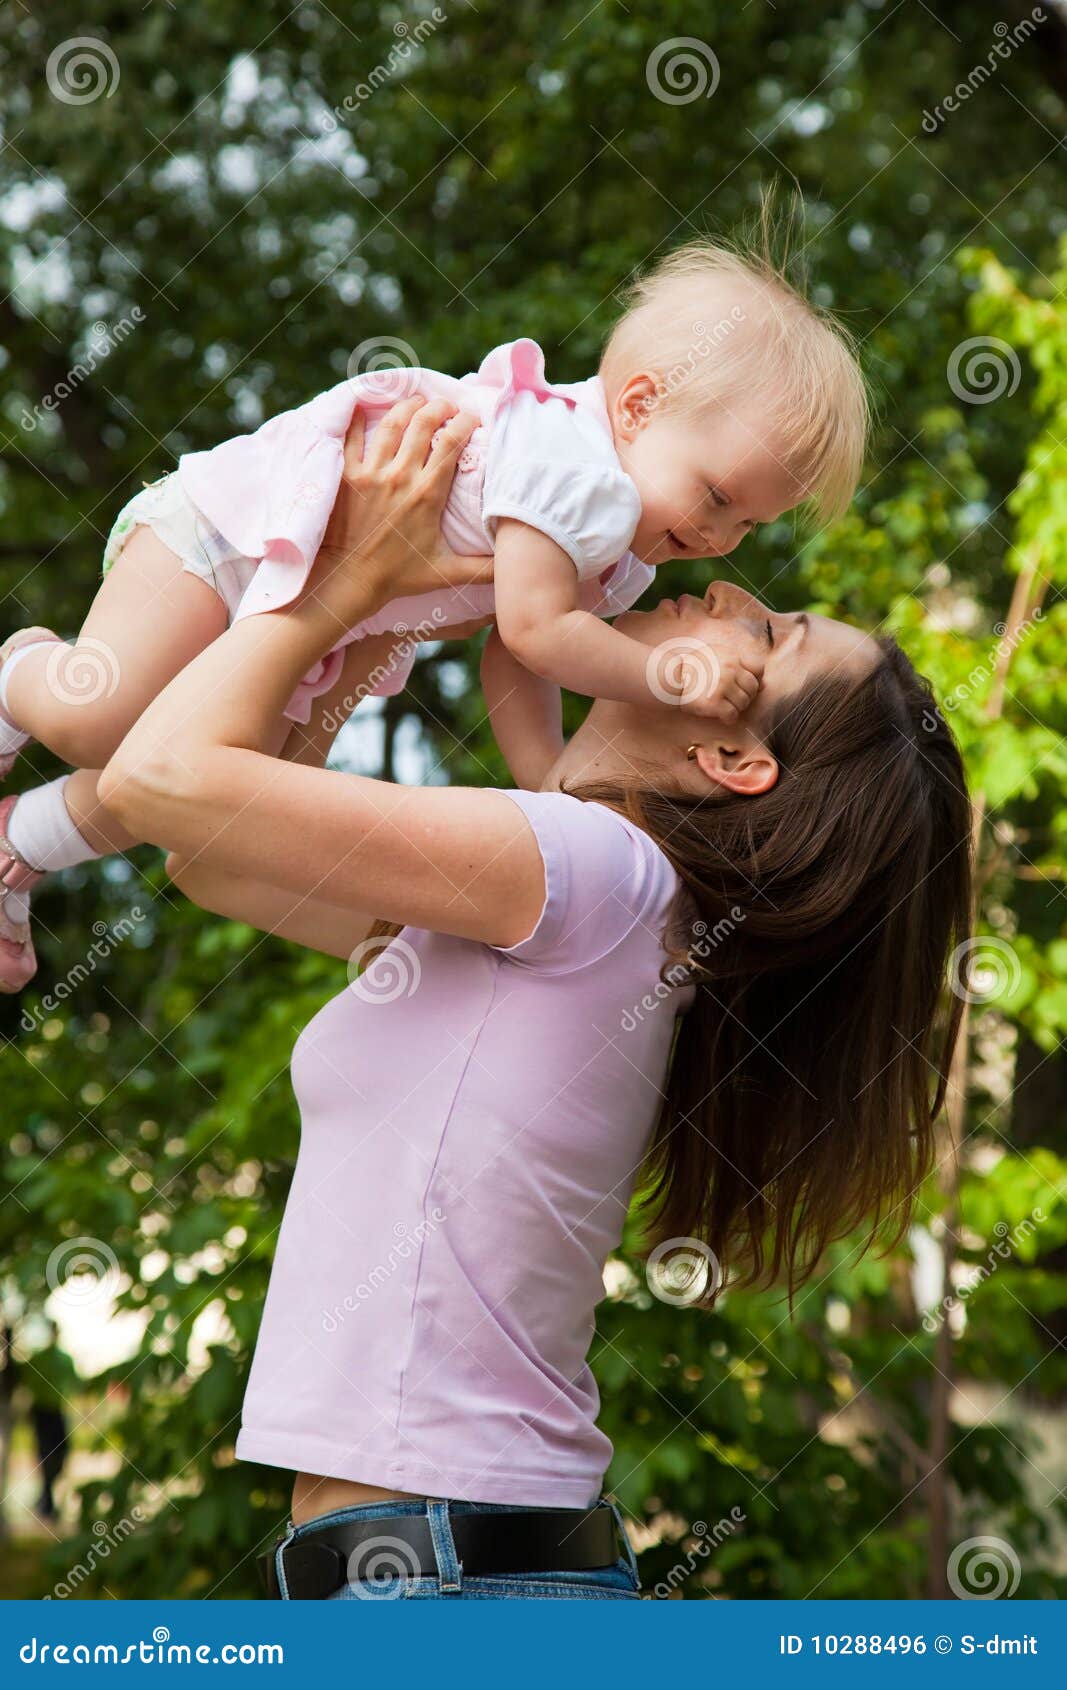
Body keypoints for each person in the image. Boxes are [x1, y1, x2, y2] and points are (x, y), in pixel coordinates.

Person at [96, 398, 971, 1600]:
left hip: (449, 1573)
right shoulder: (599, 899)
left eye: (766, 628)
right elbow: (210, 856)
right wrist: (346, 645)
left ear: (732, 758)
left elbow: (159, 780)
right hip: (452, 1566)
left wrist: (342, 581)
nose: (720, 591)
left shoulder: (588, 872)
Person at [0, 230, 868, 990]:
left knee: (217, 794)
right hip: (236, 540)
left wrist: (551, 788)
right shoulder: (575, 471)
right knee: (97, 717)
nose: (721, 540)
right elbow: (533, 631)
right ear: (637, 407)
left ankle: (21, 847)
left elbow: (517, 658)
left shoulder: (619, 560)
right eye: (716, 496)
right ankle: (18, 677)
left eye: (748, 522)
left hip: (325, 625)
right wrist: (662, 673)